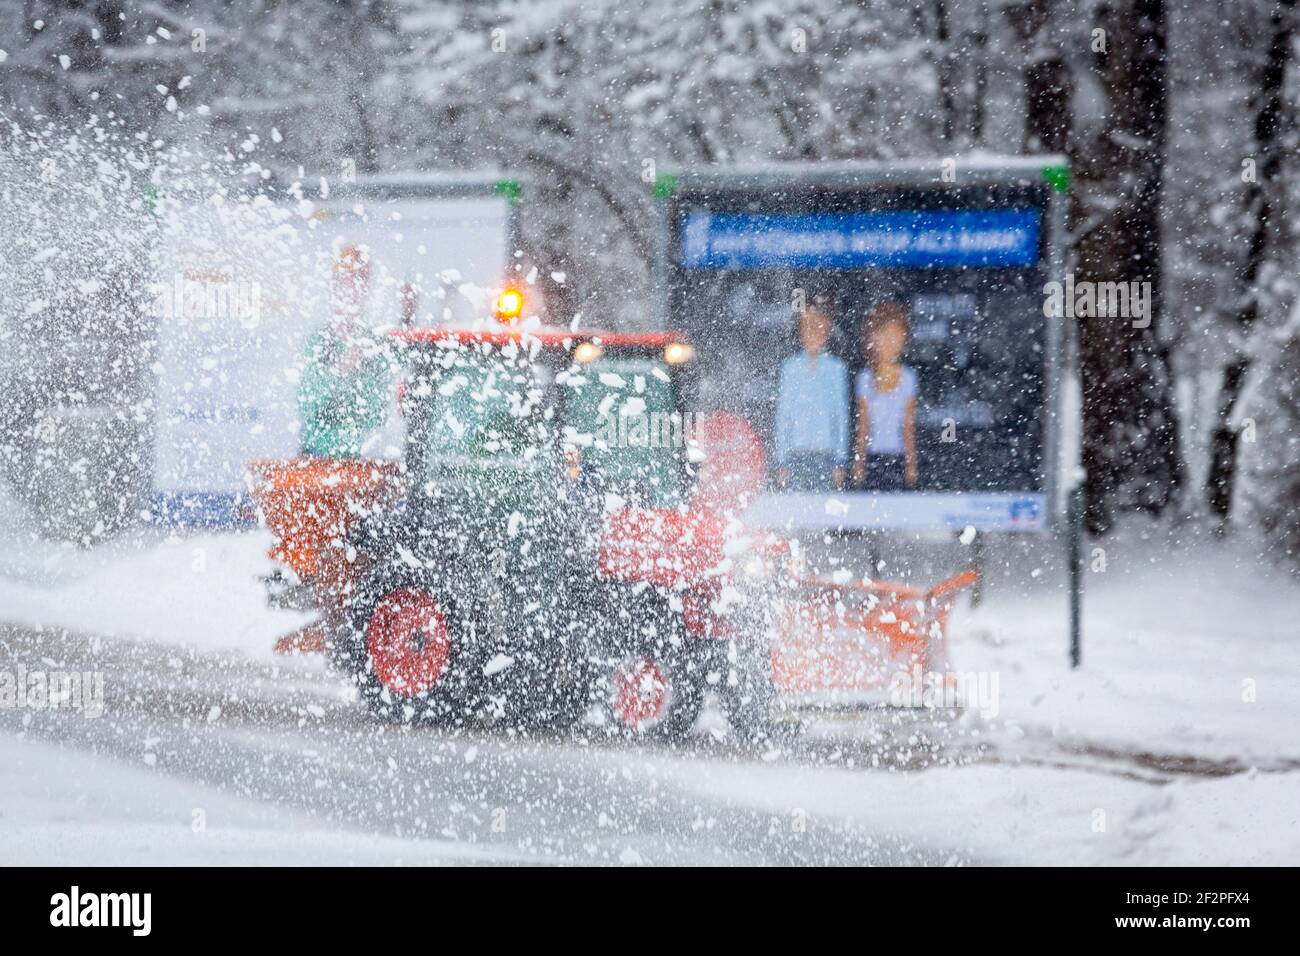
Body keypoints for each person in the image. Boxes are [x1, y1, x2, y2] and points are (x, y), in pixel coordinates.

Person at [297, 245, 394, 458]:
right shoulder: (319, 341)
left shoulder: (374, 344)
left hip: (361, 463)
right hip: (317, 459)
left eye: (358, 285)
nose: (351, 293)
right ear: (334, 289)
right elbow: (305, 403)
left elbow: (378, 415)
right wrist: (340, 371)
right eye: (345, 284)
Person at [773, 304, 849, 491]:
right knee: (796, 508)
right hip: (796, 453)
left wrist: (840, 459)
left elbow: (840, 416)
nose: (814, 333)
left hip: (827, 454)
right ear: (800, 332)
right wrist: (782, 460)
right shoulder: (789, 368)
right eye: (808, 327)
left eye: (819, 327)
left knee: (826, 508)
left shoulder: (836, 368)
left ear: (827, 332)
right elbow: (783, 416)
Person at [852, 302, 919, 490]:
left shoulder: (908, 378)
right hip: (872, 458)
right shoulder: (865, 379)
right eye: (885, 335)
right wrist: (859, 461)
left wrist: (911, 462)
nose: (890, 341)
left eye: (896, 335)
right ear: (873, 338)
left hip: (897, 457)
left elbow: (908, 425)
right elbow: (863, 425)